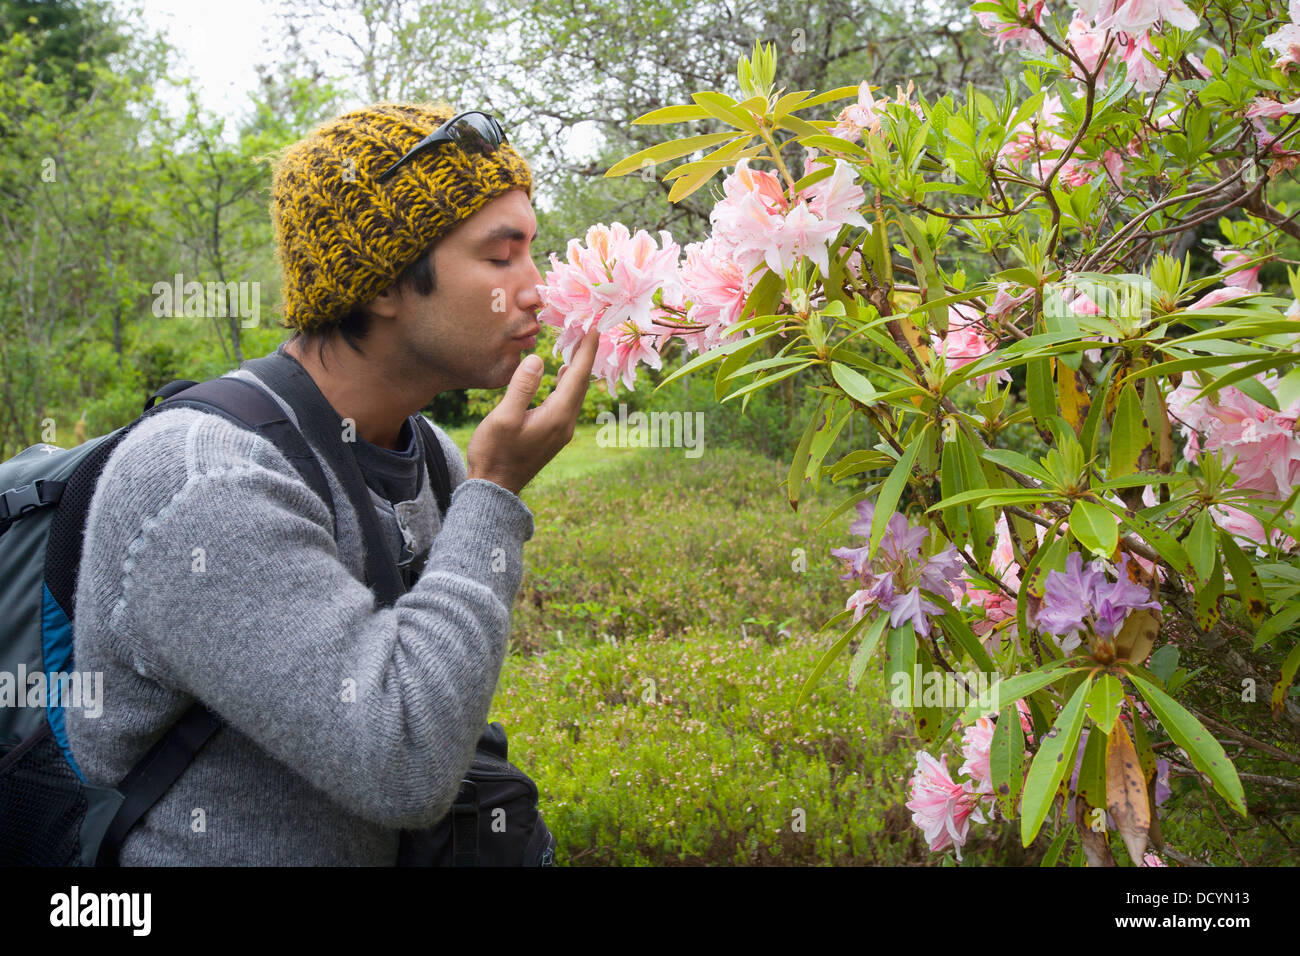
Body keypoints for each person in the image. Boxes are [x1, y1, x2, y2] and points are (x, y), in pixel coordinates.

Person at [66, 102, 600, 865]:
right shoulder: (204, 481)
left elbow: (446, 716)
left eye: (532, 252)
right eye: (499, 256)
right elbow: (405, 763)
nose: (537, 291)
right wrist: (498, 491)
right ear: (382, 283)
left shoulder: (433, 458)